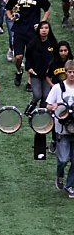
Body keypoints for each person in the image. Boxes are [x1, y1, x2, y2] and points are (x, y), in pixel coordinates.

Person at [6, 0, 51, 88]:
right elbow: (8, 9)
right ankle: (19, 71)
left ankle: (30, 81)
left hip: (33, 32)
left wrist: (42, 22)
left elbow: (47, 9)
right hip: (19, 30)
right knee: (18, 57)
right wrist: (11, 17)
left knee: (31, 57)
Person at [46, 59, 74, 195]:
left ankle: (70, 185)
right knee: (63, 159)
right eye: (70, 72)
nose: (72, 75)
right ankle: (60, 175)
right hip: (62, 129)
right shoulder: (58, 87)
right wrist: (54, 107)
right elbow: (48, 105)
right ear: (65, 72)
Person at [25, 20, 58, 116]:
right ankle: (32, 105)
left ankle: (41, 114)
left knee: (46, 96)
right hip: (35, 74)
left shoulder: (53, 43)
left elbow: (56, 58)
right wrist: (29, 68)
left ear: (49, 30)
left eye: (46, 28)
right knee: (37, 94)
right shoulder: (33, 43)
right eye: (42, 28)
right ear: (39, 30)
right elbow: (28, 57)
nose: (44, 30)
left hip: (48, 75)